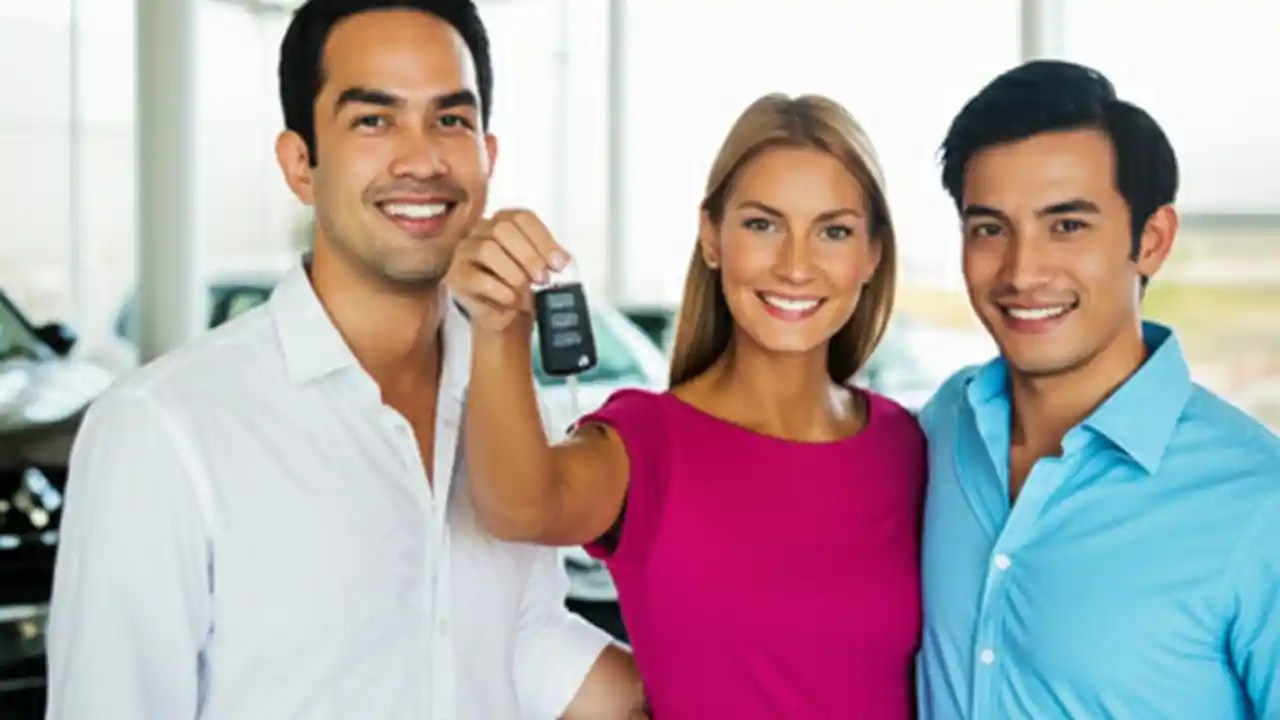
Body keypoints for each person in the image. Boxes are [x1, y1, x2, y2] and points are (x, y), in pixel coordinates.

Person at [44, 1, 645, 718]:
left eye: (449, 119)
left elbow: (517, 638)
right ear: (301, 164)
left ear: (487, 156)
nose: (421, 159)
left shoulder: (500, 404)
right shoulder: (162, 429)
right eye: (374, 119)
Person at [448, 93, 926, 718]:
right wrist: (499, 326)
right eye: (763, 224)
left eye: (833, 231)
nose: (795, 265)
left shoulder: (905, 444)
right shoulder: (647, 444)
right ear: (711, 236)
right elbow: (519, 505)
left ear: (872, 255)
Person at [916, 59, 1280, 719]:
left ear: (1152, 239)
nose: (1023, 272)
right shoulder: (940, 431)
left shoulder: (1262, 503)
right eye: (990, 229)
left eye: (1068, 226)